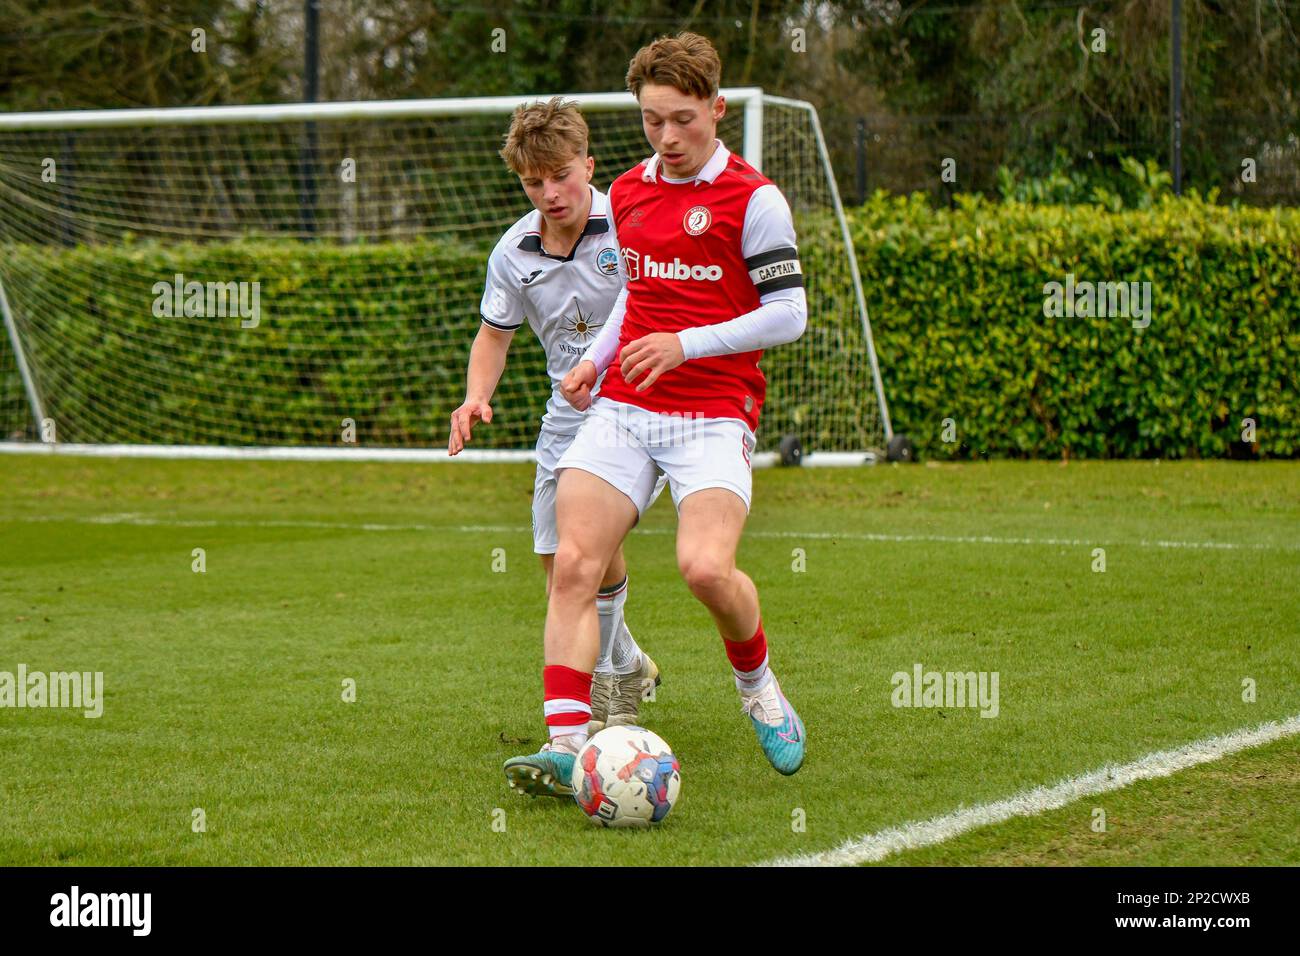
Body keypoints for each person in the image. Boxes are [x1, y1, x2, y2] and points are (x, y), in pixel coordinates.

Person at [503, 33, 808, 799]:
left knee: (705, 568)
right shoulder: (632, 194)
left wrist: (686, 345)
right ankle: (569, 746)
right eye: (650, 121)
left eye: (681, 120)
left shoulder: (755, 200)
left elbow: (790, 315)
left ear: (717, 109)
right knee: (574, 562)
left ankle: (758, 684)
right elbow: (637, 298)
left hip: (713, 412)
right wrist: (596, 362)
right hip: (627, 405)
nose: (667, 139)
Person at [449, 98, 661, 768]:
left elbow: (658, 306)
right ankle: (625, 661)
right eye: (533, 183)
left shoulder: (628, 226)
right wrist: (474, 398)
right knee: (560, 564)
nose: (550, 193)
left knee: (583, 552)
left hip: (636, 406)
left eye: (561, 175)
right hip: (565, 415)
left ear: (588, 165)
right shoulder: (514, 251)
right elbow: (493, 336)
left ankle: (599, 701)